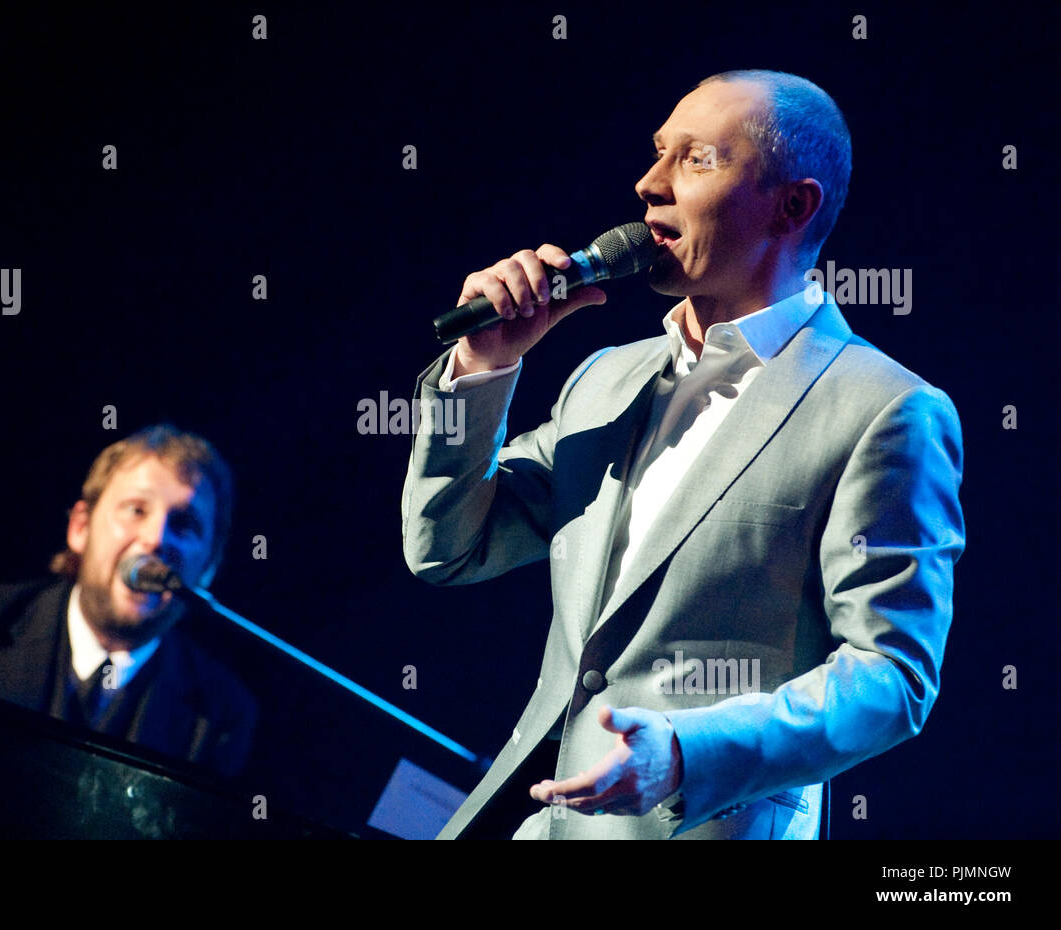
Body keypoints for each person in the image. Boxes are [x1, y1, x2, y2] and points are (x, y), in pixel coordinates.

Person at [401, 70, 965, 839]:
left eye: (696, 159)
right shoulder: (607, 378)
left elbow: (891, 678)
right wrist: (482, 367)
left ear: (792, 205)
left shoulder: (885, 409)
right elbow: (445, 550)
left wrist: (691, 754)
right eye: (658, 153)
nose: (648, 185)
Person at [0, 424, 257, 779]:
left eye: (185, 524)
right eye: (137, 509)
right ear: (81, 528)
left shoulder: (221, 715)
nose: (157, 538)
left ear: (208, 568)